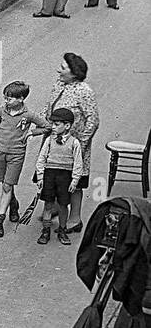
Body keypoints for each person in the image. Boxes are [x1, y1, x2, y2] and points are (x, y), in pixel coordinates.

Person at [0, 81, 50, 238]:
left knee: (7, 186)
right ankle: (13, 205)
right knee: (6, 184)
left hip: (16, 155)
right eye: (5, 97)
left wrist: (32, 133)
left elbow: (47, 126)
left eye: (10, 98)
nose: (6, 100)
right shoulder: (1, 111)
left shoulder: (29, 115)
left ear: (21, 99)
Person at [46, 53, 100, 234]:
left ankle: (75, 219)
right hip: (55, 143)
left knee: (74, 183)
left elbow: (93, 120)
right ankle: (54, 207)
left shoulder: (84, 91)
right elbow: (48, 107)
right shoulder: (58, 85)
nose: (58, 70)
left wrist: (81, 145)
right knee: (53, 176)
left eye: (63, 68)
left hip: (75, 147)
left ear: (74, 73)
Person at [33, 107, 82, 246]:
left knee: (63, 205)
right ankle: (46, 230)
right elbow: (41, 159)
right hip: (50, 175)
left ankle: (62, 230)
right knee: (48, 204)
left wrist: (75, 180)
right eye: (52, 124)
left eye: (56, 124)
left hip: (65, 177)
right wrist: (41, 177)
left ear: (67, 126)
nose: (53, 127)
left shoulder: (74, 143)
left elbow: (78, 163)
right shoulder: (49, 141)